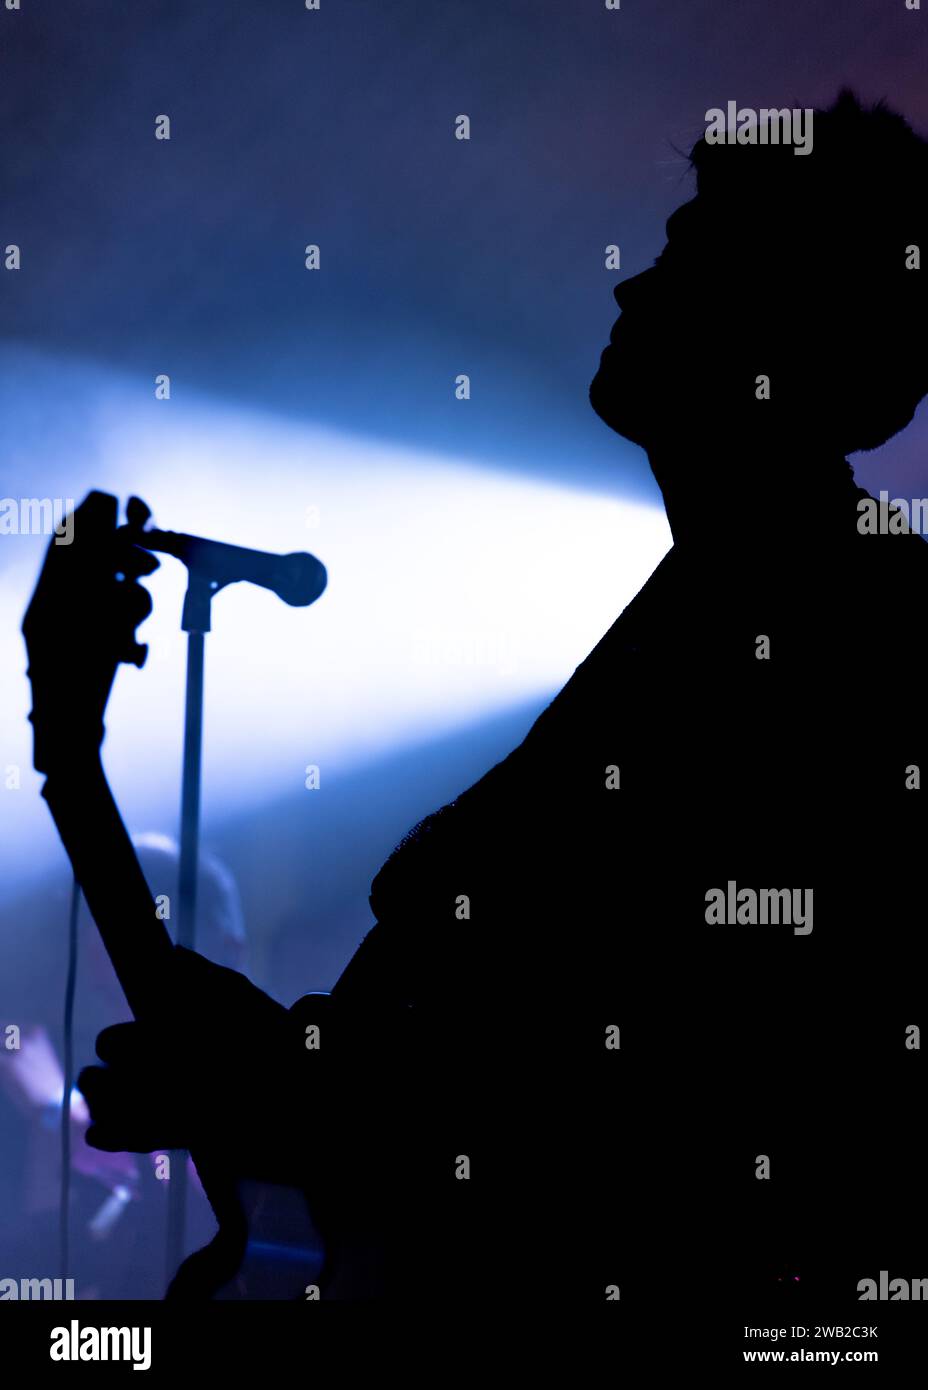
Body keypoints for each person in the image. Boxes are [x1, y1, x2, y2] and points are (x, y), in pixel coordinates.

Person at [21, 90, 928, 1301]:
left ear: (788, 324)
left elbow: (686, 1079)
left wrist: (296, 1082)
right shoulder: (687, 621)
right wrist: (71, 760)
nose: (628, 288)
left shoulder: (852, 626)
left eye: (685, 256)